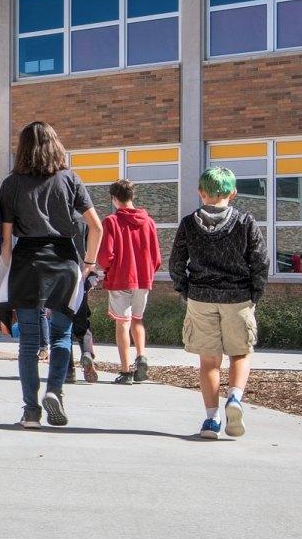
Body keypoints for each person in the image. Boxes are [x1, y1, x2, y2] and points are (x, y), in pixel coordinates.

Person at [0, 122, 102, 429]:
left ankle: (31, 411)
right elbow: (97, 226)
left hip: (28, 263)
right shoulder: (70, 179)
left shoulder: (12, 183)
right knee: (61, 336)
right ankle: (55, 391)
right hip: (65, 262)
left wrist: (7, 268)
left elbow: (5, 239)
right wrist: (89, 263)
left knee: (29, 342)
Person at [169, 166, 268, 439]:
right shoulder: (245, 221)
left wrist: (185, 290)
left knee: (209, 362)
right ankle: (234, 398)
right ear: (233, 193)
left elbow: (176, 263)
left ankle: (211, 420)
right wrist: (255, 293)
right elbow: (260, 260)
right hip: (238, 297)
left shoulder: (189, 223)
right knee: (240, 353)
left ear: (201, 193)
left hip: (201, 297)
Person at [96, 178, 162, 384]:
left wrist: (107, 270)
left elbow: (106, 254)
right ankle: (141, 356)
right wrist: (148, 272)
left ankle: (125, 372)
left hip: (121, 278)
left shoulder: (111, 222)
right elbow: (156, 257)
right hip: (143, 279)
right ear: (132, 197)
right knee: (137, 319)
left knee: (122, 323)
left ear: (114, 199)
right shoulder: (149, 222)